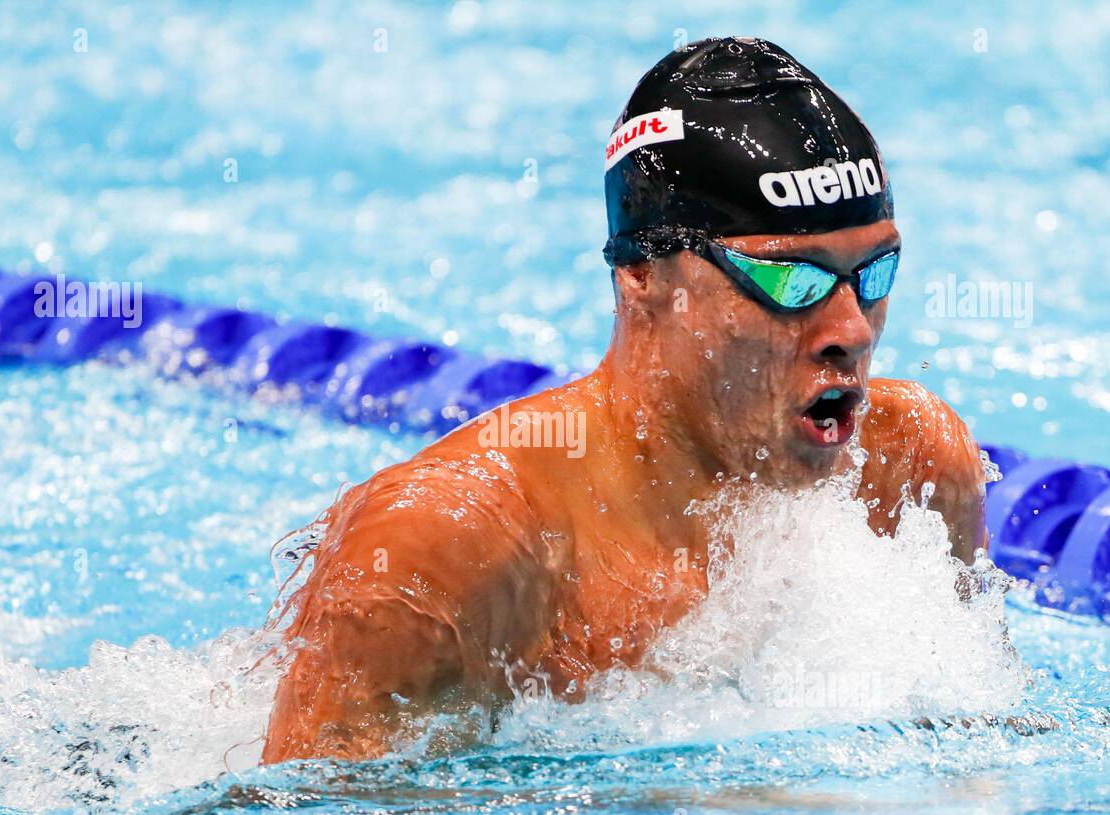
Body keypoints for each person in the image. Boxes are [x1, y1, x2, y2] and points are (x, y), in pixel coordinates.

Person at [261, 37, 987, 764]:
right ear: (643, 273)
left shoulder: (909, 470)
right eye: (791, 280)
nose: (851, 330)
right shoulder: (450, 544)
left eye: (873, 271)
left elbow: (973, 762)